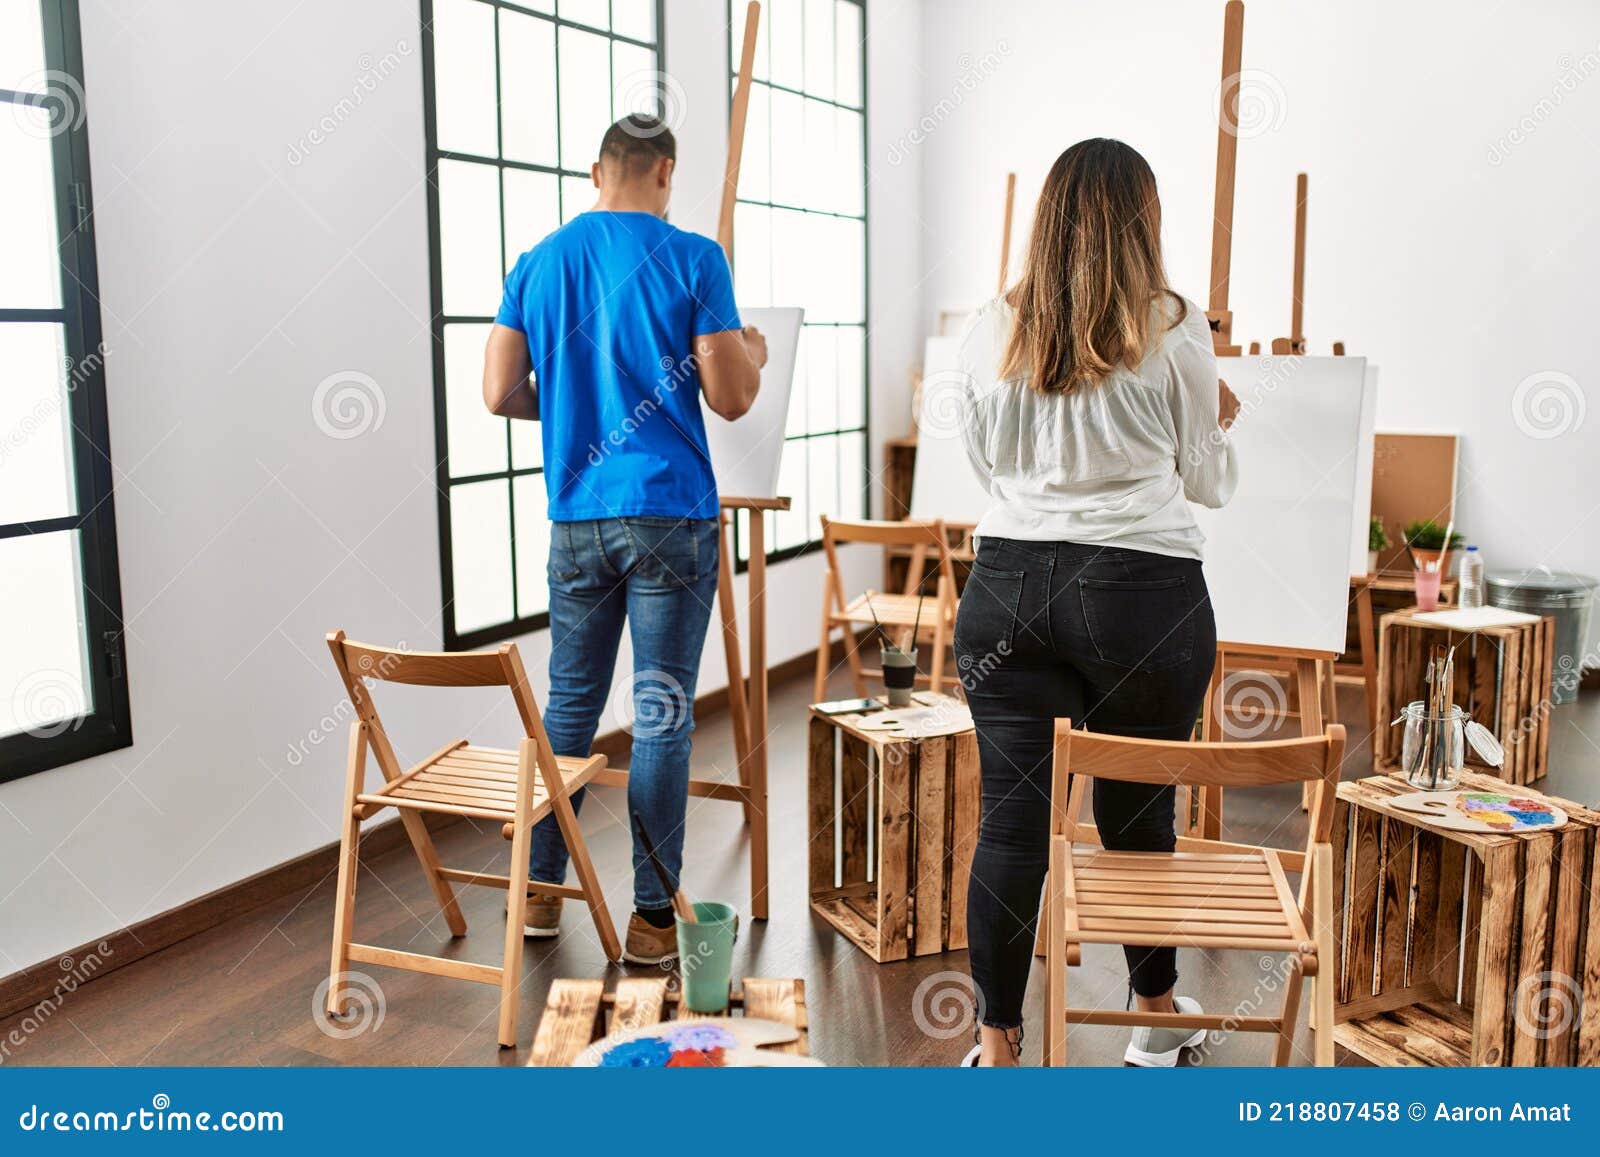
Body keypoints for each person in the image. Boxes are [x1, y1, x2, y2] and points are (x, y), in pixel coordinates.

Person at [951, 138, 1241, 1066]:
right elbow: (1208, 482)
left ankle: (998, 1044)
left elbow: (987, 464)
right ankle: (1154, 1019)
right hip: (1141, 591)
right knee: (1136, 811)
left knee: (1011, 818)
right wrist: (1220, 417)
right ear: (1143, 222)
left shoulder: (991, 325)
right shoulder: (1175, 326)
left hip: (1007, 587)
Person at [482, 114, 768, 964]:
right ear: (666, 172)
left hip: (577, 516)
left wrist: (576, 408)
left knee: (567, 707)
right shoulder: (693, 258)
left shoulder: (540, 260)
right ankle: (650, 921)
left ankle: (537, 896)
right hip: (670, 512)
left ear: (596, 170)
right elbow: (732, 398)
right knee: (661, 714)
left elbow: (499, 391)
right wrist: (748, 349)